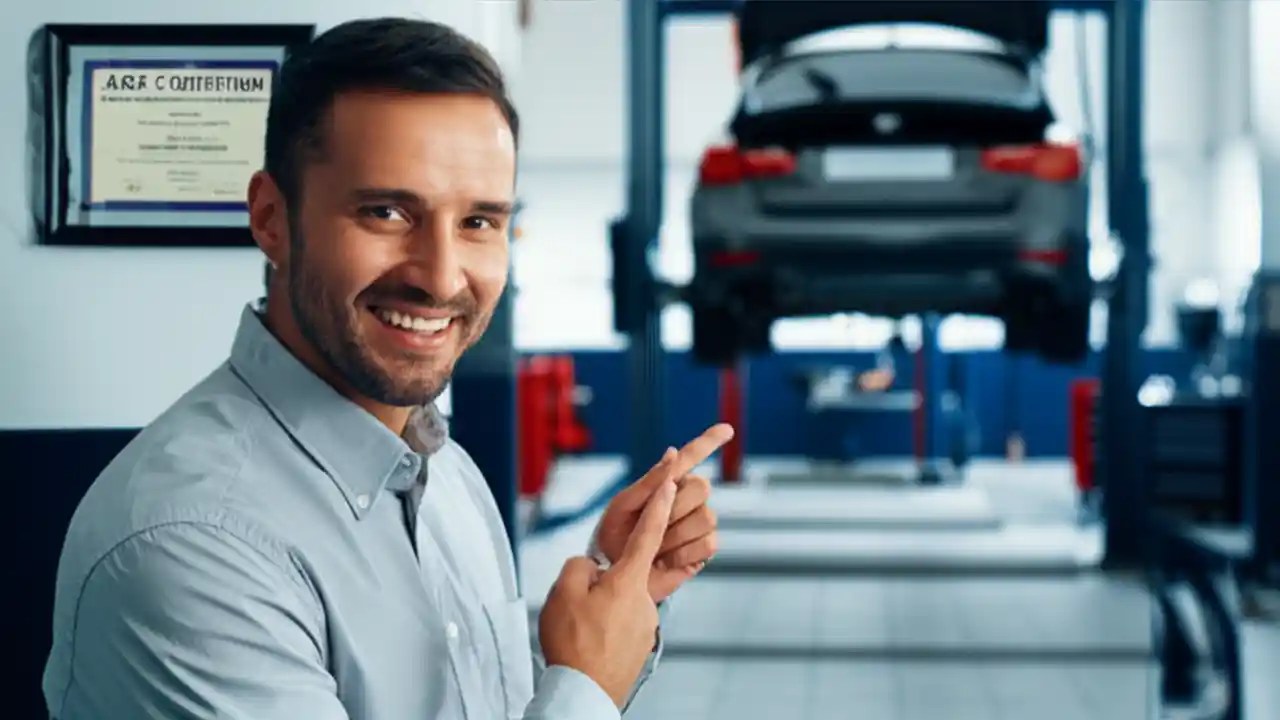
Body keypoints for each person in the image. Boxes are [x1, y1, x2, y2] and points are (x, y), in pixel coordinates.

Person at [43, 17, 732, 720]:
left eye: (479, 223)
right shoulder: (194, 544)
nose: (440, 278)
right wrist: (585, 685)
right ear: (271, 217)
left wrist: (616, 601)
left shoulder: (448, 479)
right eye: (386, 212)